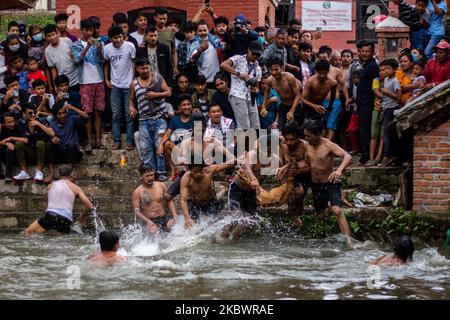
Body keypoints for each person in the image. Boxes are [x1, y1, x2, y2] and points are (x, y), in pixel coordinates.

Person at [303, 119, 352, 246]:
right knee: (320, 215)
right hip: (316, 185)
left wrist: (339, 170)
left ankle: (349, 241)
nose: (306, 138)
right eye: (305, 135)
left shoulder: (328, 145)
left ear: (318, 134)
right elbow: (306, 163)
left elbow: (347, 156)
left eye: (309, 136)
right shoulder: (307, 145)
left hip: (330, 183)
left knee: (337, 211)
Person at [129, 58, 171, 181]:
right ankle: (149, 173)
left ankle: (162, 172)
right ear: (137, 69)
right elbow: (131, 99)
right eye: (143, 68)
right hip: (143, 120)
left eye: (147, 67)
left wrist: (155, 95)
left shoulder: (157, 78)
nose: (146, 70)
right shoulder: (134, 83)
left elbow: (168, 92)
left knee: (159, 145)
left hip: (160, 118)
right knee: (146, 147)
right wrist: (131, 107)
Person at [25, 164, 94, 235]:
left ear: (58, 174)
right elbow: (90, 206)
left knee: (29, 232)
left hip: (50, 216)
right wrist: (82, 216)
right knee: (66, 238)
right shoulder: (75, 188)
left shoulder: (50, 186)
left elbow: (46, 206)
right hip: (66, 220)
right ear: (71, 174)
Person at [72, 18, 106, 151]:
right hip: (85, 82)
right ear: (82, 30)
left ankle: (98, 139)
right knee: (88, 113)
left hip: (98, 80)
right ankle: (89, 140)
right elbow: (77, 60)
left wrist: (98, 49)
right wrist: (87, 47)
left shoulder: (99, 42)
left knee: (98, 112)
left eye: (91, 30)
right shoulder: (76, 45)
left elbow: (102, 60)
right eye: (86, 30)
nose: (89, 32)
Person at [103, 25, 136, 150]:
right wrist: (106, 80)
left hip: (129, 85)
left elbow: (134, 64)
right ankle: (116, 141)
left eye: (120, 37)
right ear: (111, 38)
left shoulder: (130, 46)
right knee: (115, 115)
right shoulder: (107, 49)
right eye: (115, 37)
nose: (118, 40)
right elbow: (106, 65)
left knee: (129, 115)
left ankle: (129, 141)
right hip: (115, 86)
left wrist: (133, 81)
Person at [221, 40, 263, 129]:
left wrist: (256, 89)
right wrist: (239, 74)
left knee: (256, 126)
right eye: (253, 53)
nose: (255, 56)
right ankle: (243, 143)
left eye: (258, 55)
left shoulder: (258, 68)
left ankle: (254, 143)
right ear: (248, 50)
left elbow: (257, 86)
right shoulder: (238, 59)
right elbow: (223, 65)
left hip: (251, 98)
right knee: (244, 126)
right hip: (237, 95)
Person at [180, 159, 234, 228]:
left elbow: (229, 164)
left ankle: (223, 190)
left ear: (203, 168)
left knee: (206, 224)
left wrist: (236, 159)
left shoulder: (209, 170)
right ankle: (222, 190)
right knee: (191, 226)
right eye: (195, 171)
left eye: (200, 171)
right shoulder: (186, 178)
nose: (198, 174)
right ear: (189, 170)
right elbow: (183, 200)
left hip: (211, 202)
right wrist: (187, 219)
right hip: (195, 203)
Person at [277, 122, 310, 227]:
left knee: (300, 196)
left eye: (292, 139)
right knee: (294, 194)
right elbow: (279, 164)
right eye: (287, 139)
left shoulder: (304, 146)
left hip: (303, 173)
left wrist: (298, 171)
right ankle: (293, 217)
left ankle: (297, 213)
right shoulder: (282, 144)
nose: (289, 142)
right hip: (287, 174)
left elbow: (310, 165)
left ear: (298, 137)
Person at [46, 101, 89, 182]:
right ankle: (52, 173)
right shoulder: (52, 124)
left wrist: (72, 108)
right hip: (60, 153)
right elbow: (50, 137)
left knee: (71, 145)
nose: (63, 116)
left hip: (72, 152)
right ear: (55, 116)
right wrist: (53, 139)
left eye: (64, 113)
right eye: (59, 114)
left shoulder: (71, 119)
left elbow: (86, 117)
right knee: (49, 144)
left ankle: (68, 174)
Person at [13, 103, 55, 182]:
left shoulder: (41, 120)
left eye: (35, 112)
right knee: (18, 144)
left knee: (40, 143)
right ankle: (24, 172)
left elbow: (52, 134)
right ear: (24, 113)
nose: (33, 115)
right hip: (29, 152)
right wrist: (11, 138)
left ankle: (39, 172)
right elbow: (25, 139)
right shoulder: (20, 123)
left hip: (41, 153)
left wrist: (39, 124)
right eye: (30, 113)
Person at [158, 94, 194, 180]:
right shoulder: (175, 120)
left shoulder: (195, 118)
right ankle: (173, 169)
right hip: (178, 152)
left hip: (191, 151)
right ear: (179, 107)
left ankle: (189, 168)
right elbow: (167, 134)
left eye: (189, 104)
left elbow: (198, 138)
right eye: (184, 105)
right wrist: (160, 145)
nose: (187, 107)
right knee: (166, 144)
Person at [317, 47, 351, 140]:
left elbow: (343, 85)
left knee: (331, 125)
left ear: (329, 58)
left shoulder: (336, 71)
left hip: (335, 102)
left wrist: (347, 98)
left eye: (325, 57)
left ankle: (327, 148)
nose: (323, 59)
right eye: (321, 58)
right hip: (321, 102)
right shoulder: (316, 71)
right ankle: (323, 147)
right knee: (322, 126)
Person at [132, 165, 178, 234]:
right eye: (147, 176)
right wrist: (148, 221)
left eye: (152, 175)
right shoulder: (137, 192)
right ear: (141, 177)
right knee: (154, 232)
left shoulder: (161, 185)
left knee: (177, 226)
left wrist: (174, 215)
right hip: (150, 220)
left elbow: (169, 201)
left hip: (164, 218)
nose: (150, 178)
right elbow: (137, 212)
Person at [262, 57, 302, 129]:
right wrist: (263, 107)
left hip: (295, 107)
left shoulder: (289, 77)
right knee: (281, 130)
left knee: (296, 131)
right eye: (272, 70)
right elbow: (267, 92)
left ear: (282, 67)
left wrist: (292, 111)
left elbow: (298, 95)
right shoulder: (270, 80)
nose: (274, 72)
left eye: (276, 69)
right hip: (283, 106)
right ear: (269, 69)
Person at [356, 41, 379, 166]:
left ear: (372, 52)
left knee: (365, 131)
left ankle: (365, 157)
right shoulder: (366, 65)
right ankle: (364, 155)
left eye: (367, 51)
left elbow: (375, 86)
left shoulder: (373, 66)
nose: (364, 53)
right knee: (362, 130)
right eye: (363, 51)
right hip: (362, 103)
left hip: (368, 104)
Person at [378, 59, 401, 167]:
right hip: (386, 108)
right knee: (387, 133)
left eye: (389, 68)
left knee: (387, 133)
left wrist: (387, 92)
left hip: (392, 108)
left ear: (395, 70)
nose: (386, 70)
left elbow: (398, 97)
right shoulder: (386, 79)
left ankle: (387, 156)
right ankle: (390, 155)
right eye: (385, 68)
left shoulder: (395, 81)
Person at [44, 24, 79, 92]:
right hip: (62, 84)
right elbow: (53, 69)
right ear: (46, 38)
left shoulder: (67, 41)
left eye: (53, 34)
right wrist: (55, 85)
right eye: (49, 36)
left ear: (57, 33)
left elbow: (75, 56)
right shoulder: (47, 51)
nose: (52, 37)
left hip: (76, 79)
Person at [301, 60, 337, 125]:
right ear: (316, 71)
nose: (322, 75)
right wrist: (314, 106)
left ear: (328, 71)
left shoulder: (332, 83)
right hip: (307, 107)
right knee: (306, 128)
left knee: (318, 128)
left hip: (319, 107)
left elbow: (333, 96)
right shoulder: (311, 81)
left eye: (324, 73)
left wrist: (330, 106)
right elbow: (302, 99)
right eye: (320, 73)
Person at [190, 20, 224, 86]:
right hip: (202, 77)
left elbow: (222, 47)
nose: (203, 32)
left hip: (216, 77)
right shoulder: (195, 42)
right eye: (200, 31)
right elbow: (193, 58)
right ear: (196, 32)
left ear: (208, 30)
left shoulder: (214, 39)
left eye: (205, 30)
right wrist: (200, 50)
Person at [0, 112, 28, 181]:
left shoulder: (18, 127)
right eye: (9, 122)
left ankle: (8, 173)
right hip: (5, 156)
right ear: (3, 124)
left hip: (17, 156)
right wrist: (5, 143)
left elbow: (26, 140)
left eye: (13, 121)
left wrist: (12, 138)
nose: (12, 124)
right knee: (8, 147)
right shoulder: (1, 129)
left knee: (10, 148)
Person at [154, 7, 178, 76]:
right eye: (160, 19)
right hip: (154, 67)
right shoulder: (151, 31)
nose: (162, 21)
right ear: (155, 18)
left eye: (164, 19)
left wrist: (175, 67)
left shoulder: (171, 32)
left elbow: (173, 51)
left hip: (168, 67)